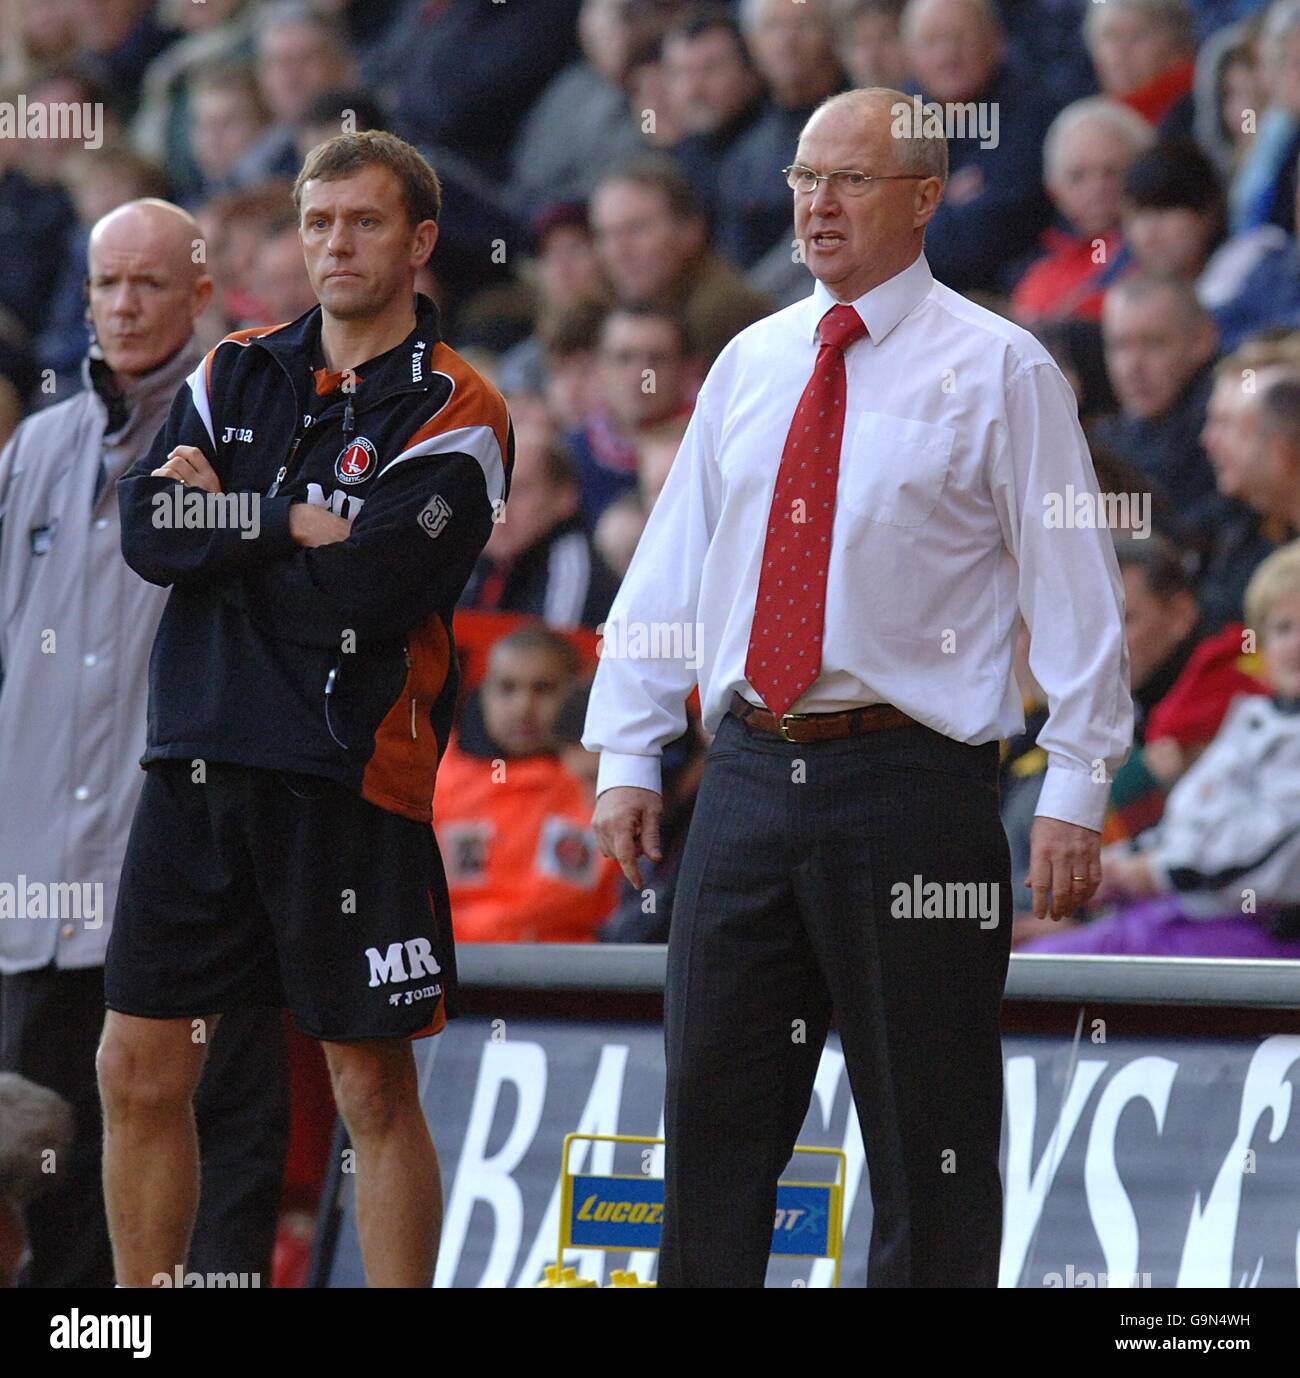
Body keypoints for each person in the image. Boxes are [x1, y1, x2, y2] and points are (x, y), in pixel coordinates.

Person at [583, 87, 1131, 1288]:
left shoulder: (1002, 367)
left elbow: (1077, 590)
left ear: (926, 198)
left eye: (849, 180)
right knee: (712, 1130)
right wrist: (628, 749)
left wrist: (1076, 786)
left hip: (912, 782)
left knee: (929, 1140)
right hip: (738, 772)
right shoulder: (750, 358)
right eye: (800, 179)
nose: (815, 205)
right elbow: (673, 562)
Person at [97, 131, 513, 1288]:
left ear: (421, 241)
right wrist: (282, 523)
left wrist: (222, 522)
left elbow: (369, 590)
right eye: (318, 221)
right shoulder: (233, 365)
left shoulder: (461, 408)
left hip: (348, 781)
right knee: (136, 1069)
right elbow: (143, 533)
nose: (335, 244)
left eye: (364, 222)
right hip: (192, 763)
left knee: (369, 1086)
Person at [0, 199, 288, 1288]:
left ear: (201, 291)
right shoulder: (36, 446)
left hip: (184, 867)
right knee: (37, 1161)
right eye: (106, 284)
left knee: (210, 1148)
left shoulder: (251, 435)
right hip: (35, 879)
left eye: (149, 284)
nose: (123, 305)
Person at [1023, 539, 1300, 959]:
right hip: (1181, 915)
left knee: (1033, 981)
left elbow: (1269, 850)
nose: (1296, 645)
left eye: (1128, 619)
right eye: (1282, 629)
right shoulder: (1252, 716)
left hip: (1262, 936)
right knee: (1009, 967)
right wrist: (1111, 866)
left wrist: (1151, 872)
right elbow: (1184, 824)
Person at [433, 629, 620, 943]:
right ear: (483, 689)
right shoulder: (434, 772)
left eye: (544, 689)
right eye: (506, 688)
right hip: (448, 968)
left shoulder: (601, 774)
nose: (523, 707)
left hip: (573, 975)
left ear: (578, 690)